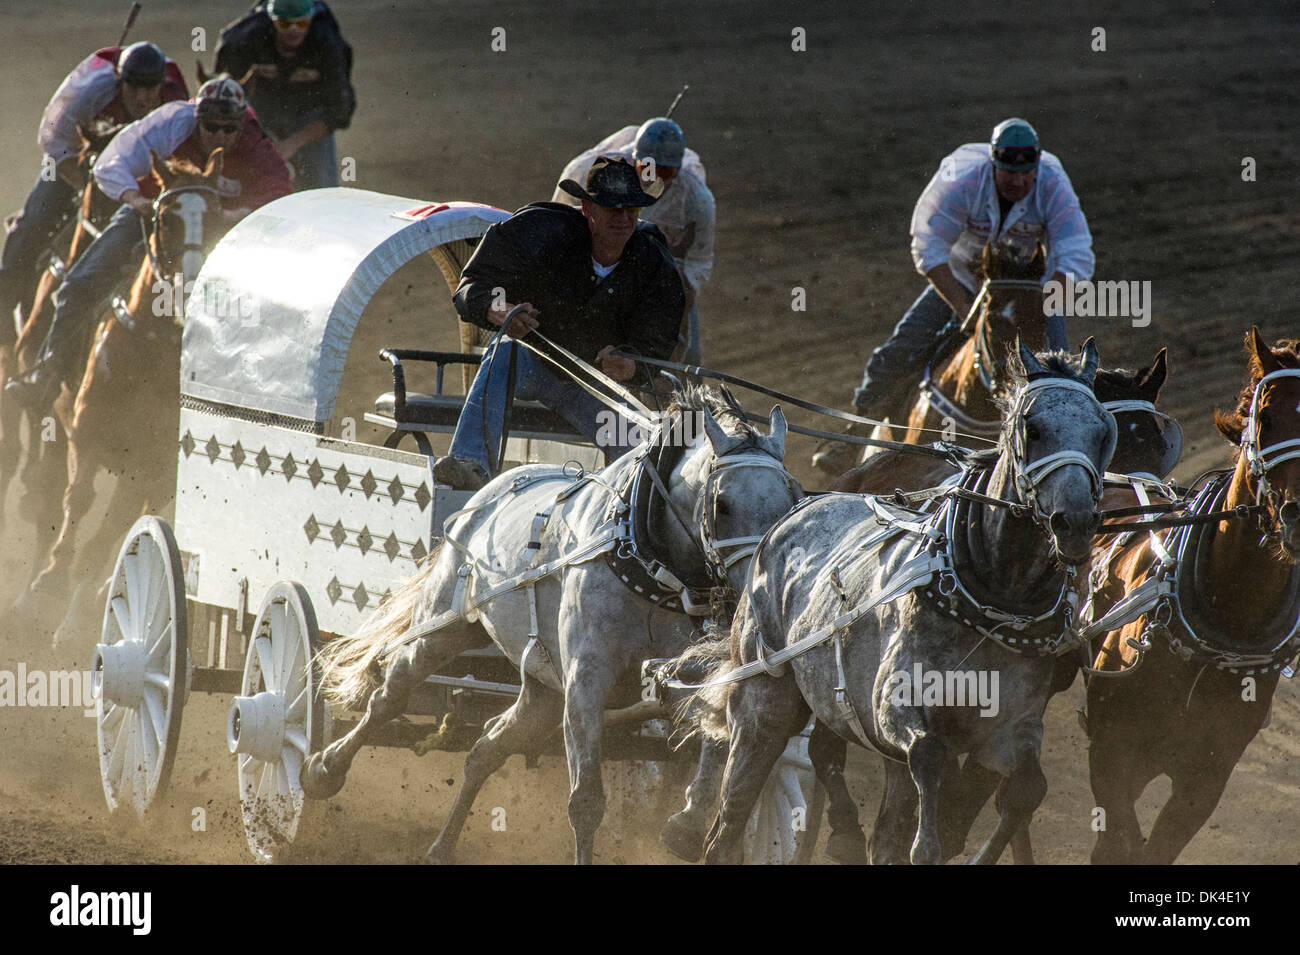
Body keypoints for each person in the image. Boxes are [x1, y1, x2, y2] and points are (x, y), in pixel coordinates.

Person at [813, 117, 1095, 474]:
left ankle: (1078, 455)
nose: (1020, 183)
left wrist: (1043, 303)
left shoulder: (1054, 184)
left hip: (1029, 291)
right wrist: (965, 310)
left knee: (1060, 370)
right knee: (900, 348)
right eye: (1010, 174)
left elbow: (1075, 254)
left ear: (1037, 169)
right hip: (963, 279)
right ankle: (854, 432)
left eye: (1027, 176)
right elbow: (928, 244)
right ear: (993, 166)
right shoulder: (962, 178)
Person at [5, 77, 292, 410]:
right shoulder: (170, 121)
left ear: (242, 125)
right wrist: (133, 198)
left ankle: (271, 389)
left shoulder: (256, 142)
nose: (220, 136)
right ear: (197, 119)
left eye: (229, 129)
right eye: (211, 126)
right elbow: (112, 160)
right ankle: (48, 376)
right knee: (79, 282)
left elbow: (281, 190)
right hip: (156, 211)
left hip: (216, 224)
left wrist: (238, 213)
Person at [435, 156, 685, 491]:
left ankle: (622, 511)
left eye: (632, 210)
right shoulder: (540, 231)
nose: (624, 220)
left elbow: (660, 334)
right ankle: (472, 465)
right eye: (614, 210)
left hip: (594, 385)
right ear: (588, 210)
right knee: (505, 350)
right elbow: (472, 286)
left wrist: (632, 363)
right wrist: (500, 310)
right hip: (529, 363)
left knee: (637, 444)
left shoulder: (653, 261)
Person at [0, 42, 188, 344]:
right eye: (134, 87)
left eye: (150, 88)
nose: (143, 97)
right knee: (35, 220)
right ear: (119, 82)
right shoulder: (90, 92)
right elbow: (52, 136)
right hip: (71, 160)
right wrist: (81, 183)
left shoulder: (174, 101)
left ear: (161, 85)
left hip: (134, 177)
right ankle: (3, 306)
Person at [553, 118, 714, 364]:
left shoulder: (697, 200)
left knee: (687, 355)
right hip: (596, 265)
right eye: (647, 168)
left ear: (679, 171)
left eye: (665, 172)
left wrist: (675, 300)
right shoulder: (587, 171)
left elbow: (699, 262)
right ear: (633, 160)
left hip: (661, 274)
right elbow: (558, 225)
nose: (654, 178)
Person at [214, 0, 356, 190]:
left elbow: (340, 109)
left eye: (302, 23)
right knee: (248, 183)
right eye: (285, 24)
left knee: (322, 188)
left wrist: (292, 143)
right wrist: (250, 76)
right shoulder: (246, 38)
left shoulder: (327, 43)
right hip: (260, 114)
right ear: (272, 20)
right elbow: (225, 86)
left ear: (311, 20)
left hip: (309, 114)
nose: (294, 30)